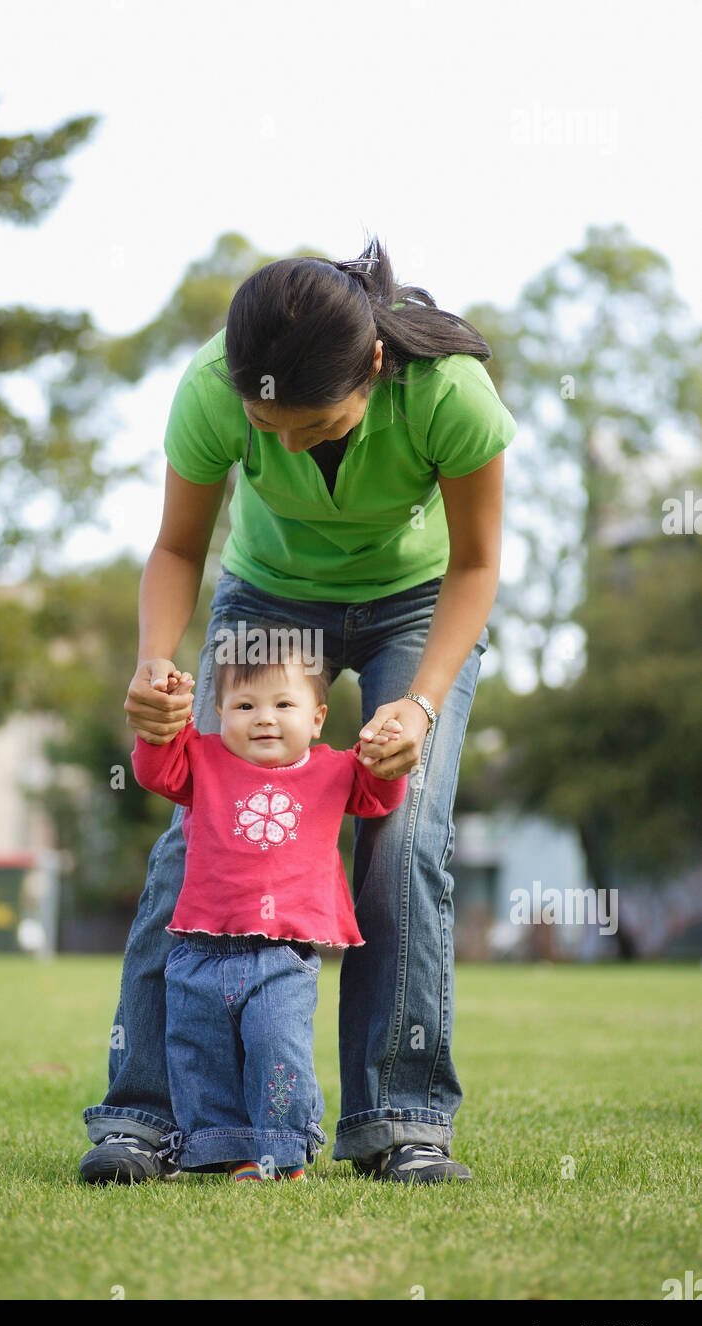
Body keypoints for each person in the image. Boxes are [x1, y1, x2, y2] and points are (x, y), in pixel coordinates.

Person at [80, 235, 518, 1185]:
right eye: (263, 426)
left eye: (309, 427)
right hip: (269, 601)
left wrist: (421, 706)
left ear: (371, 369)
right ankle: (144, 1117)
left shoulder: (448, 396)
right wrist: (156, 665)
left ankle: (399, 1119)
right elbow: (178, 549)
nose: (279, 445)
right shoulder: (209, 387)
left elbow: (478, 565)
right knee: (197, 839)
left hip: (418, 603)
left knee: (403, 843)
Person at [128, 631, 408, 1181]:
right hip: (199, 950)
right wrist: (161, 720)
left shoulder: (334, 769)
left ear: (318, 717)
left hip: (281, 954)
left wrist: (382, 756)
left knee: (277, 1048)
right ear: (218, 713)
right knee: (199, 1052)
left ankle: (280, 1152)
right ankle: (223, 1150)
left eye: (284, 705)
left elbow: (378, 795)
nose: (264, 718)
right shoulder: (203, 760)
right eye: (245, 706)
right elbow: (155, 771)